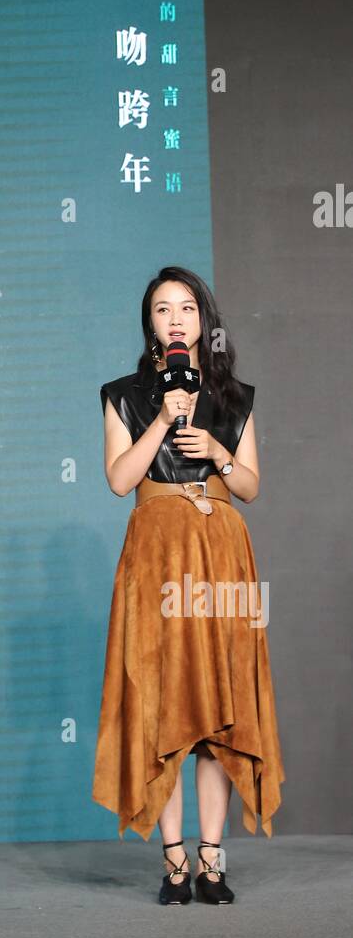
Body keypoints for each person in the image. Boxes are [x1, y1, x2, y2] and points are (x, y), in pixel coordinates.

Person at [92, 266, 285, 905]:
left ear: (205, 320)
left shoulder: (234, 396)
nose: (175, 319)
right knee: (163, 703)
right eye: (161, 309)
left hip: (221, 555)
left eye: (186, 308)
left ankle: (211, 859)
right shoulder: (123, 393)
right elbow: (121, 480)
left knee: (217, 711)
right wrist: (163, 421)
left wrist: (218, 452)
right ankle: (172, 863)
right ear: (149, 323)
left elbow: (251, 486)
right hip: (156, 555)